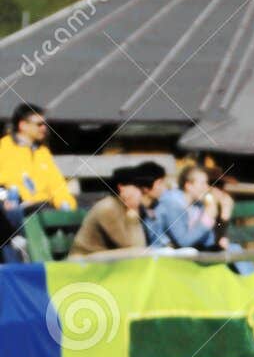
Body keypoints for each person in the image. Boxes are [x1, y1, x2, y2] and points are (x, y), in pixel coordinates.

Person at [0, 103, 77, 260]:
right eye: (39, 124)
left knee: (72, 219)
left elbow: (57, 185)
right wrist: (5, 197)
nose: (44, 128)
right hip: (14, 207)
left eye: (45, 124)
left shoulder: (43, 152)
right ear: (23, 125)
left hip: (42, 207)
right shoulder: (4, 147)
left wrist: (66, 204)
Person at [154, 161, 235, 252]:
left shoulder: (197, 205)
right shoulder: (172, 205)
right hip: (166, 257)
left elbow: (211, 242)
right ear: (189, 186)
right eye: (202, 183)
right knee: (234, 251)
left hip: (194, 254)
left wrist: (224, 216)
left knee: (234, 249)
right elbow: (183, 242)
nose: (207, 188)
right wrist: (207, 217)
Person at [69, 166, 150, 256]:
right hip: (83, 260)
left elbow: (140, 247)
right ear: (121, 188)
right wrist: (133, 216)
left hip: (101, 260)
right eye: (137, 188)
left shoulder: (122, 207)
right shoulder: (108, 208)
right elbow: (132, 247)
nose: (140, 194)